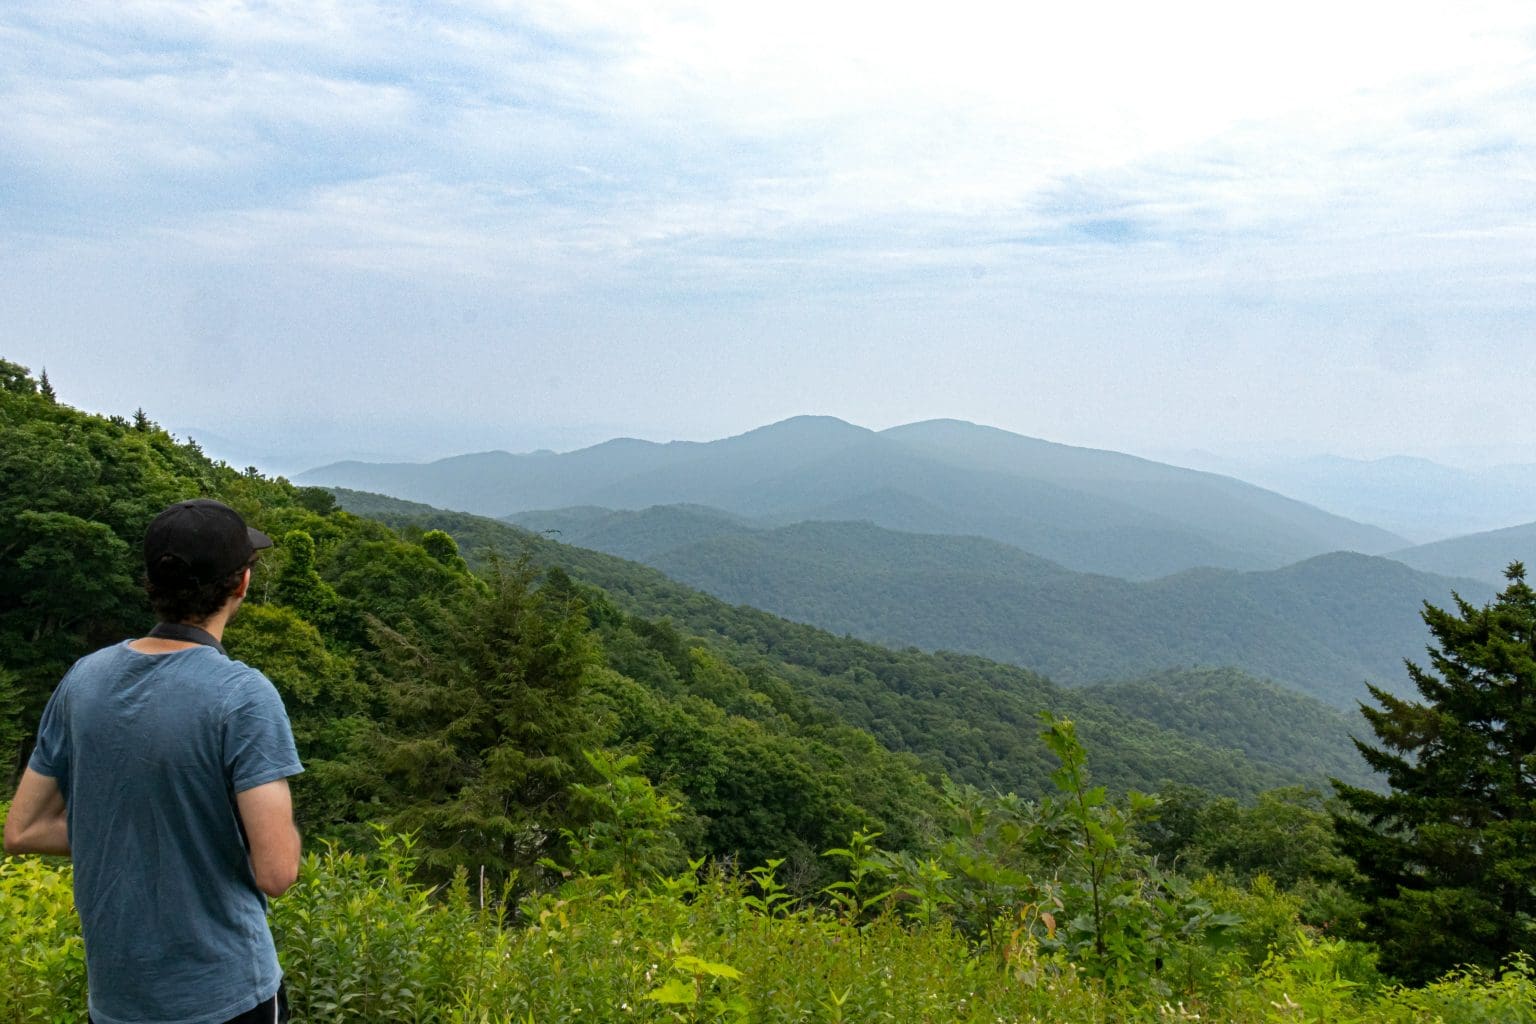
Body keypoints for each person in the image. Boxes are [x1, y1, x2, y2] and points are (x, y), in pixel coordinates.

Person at [3, 498, 304, 1024]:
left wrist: (126, 828)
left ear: (153, 583)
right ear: (241, 585)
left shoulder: (85, 678)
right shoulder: (243, 695)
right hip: (226, 993)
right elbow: (277, 870)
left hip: (119, 1002)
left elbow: (23, 830)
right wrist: (193, 834)